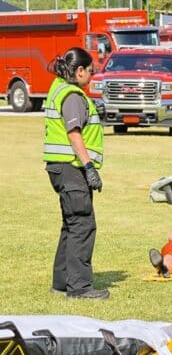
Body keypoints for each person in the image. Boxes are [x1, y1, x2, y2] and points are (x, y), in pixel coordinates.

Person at [43, 47, 108, 299]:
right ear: (79, 71)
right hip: (72, 167)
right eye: (90, 71)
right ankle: (79, 287)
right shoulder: (72, 95)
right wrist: (89, 167)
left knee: (70, 224)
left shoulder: (58, 87)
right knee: (82, 224)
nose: (91, 76)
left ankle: (61, 282)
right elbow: (74, 134)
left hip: (59, 167)